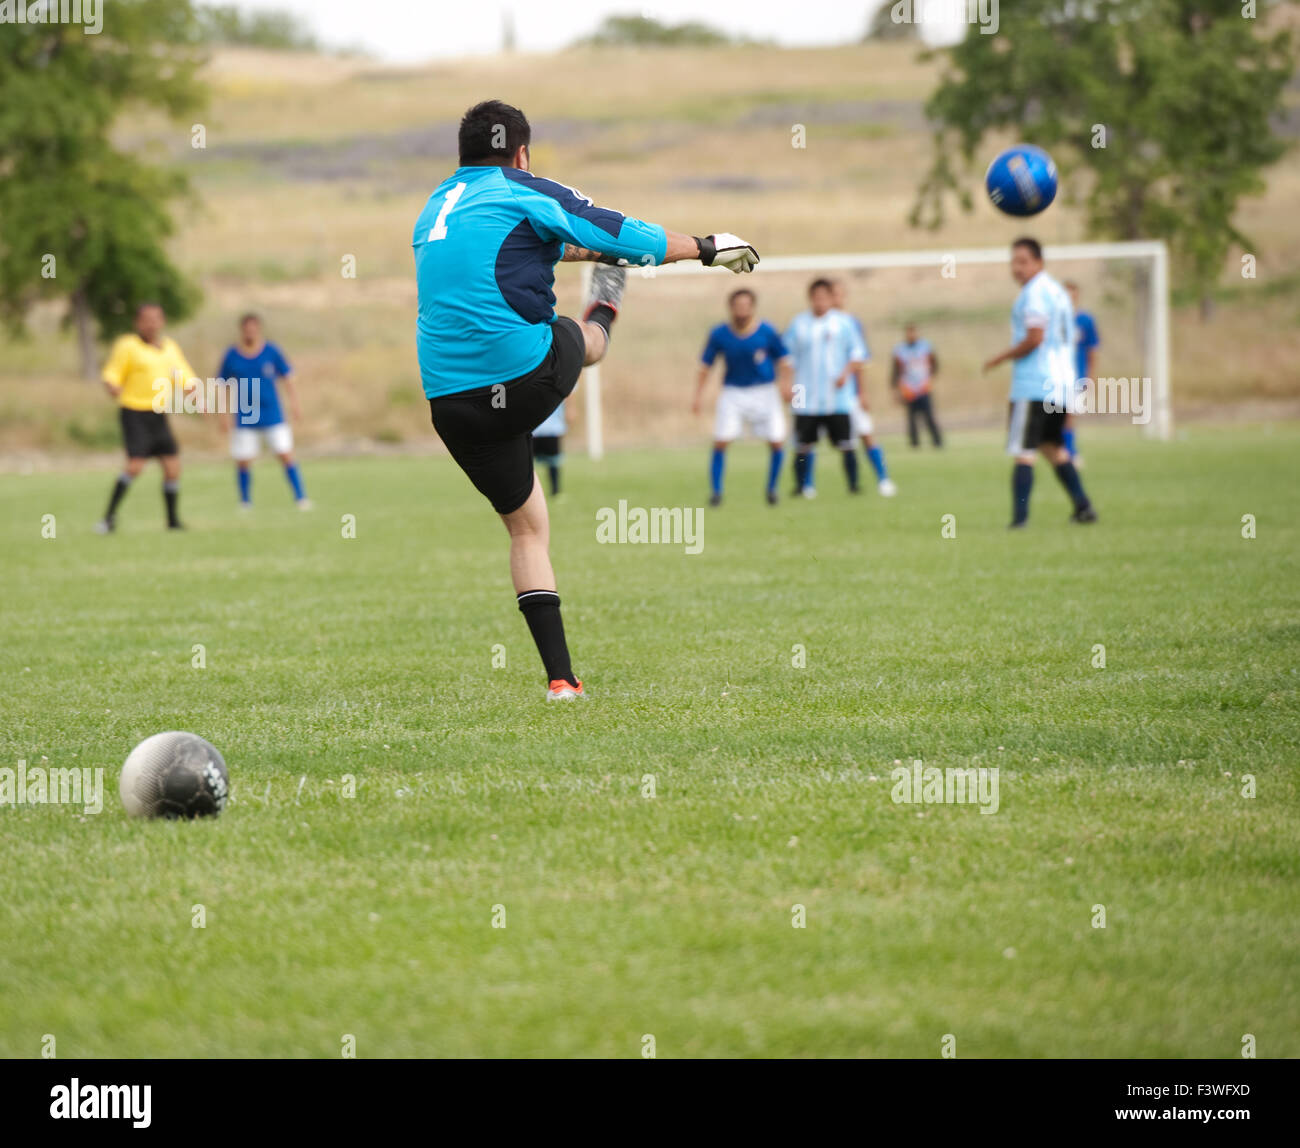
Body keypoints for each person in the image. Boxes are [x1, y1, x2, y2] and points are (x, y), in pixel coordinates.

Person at [413, 99, 758, 700]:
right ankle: (606, 310)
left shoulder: (435, 208)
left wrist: (594, 252)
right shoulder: (522, 186)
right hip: (522, 374)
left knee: (527, 531)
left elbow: (530, 246)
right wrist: (704, 246)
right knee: (583, 339)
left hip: (451, 402)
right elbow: (614, 228)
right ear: (521, 152)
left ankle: (561, 679)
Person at [982, 238, 1097, 529]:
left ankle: (1019, 520)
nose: (1016, 268)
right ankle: (1083, 506)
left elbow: (1035, 337)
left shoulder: (1033, 293)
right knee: (1053, 447)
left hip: (1034, 383)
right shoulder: (1057, 292)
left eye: (1023, 261)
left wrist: (1000, 358)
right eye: (1013, 261)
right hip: (1059, 382)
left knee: (1024, 450)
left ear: (1039, 262)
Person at [96, 303, 197, 533]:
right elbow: (112, 372)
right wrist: (112, 385)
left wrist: (194, 393)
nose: (151, 324)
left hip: (158, 414)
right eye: (146, 319)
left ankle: (172, 521)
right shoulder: (128, 346)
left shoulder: (170, 347)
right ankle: (108, 518)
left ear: (162, 321)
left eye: (156, 319)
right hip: (134, 412)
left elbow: (184, 375)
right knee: (135, 466)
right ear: (137, 322)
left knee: (172, 467)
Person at [692, 287, 790, 506]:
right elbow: (705, 366)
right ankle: (716, 493)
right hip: (733, 392)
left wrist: (787, 386)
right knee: (720, 441)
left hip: (765, 391)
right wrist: (698, 397)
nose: (742, 310)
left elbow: (785, 361)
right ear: (731, 308)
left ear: (753, 307)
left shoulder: (767, 331)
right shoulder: (719, 334)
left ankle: (772, 490)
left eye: (746, 305)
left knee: (776, 441)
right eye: (738, 305)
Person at [216, 313, 310, 510]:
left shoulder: (272, 352)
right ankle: (245, 502)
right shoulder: (232, 355)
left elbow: (288, 378)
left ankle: (301, 498)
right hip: (245, 414)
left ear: (259, 329)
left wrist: (295, 404)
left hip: (272, 413)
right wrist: (223, 415)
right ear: (241, 330)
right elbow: (223, 385)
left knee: (285, 454)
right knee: (243, 459)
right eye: (247, 328)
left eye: (254, 328)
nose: (250, 332)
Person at [785, 279, 866, 498]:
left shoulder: (844, 323)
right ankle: (802, 486)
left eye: (824, 297)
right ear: (810, 298)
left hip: (837, 395)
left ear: (831, 298)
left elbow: (858, 353)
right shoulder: (799, 324)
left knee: (846, 444)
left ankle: (853, 485)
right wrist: (786, 385)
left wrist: (845, 374)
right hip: (804, 393)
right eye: (816, 297)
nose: (820, 302)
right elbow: (786, 357)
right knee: (802, 444)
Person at [830, 280, 895, 496]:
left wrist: (862, 392)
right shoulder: (813, 323)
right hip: (823, 396)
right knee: (840, 442)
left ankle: (883, 479)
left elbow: (859, 362)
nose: (835, 299)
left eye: (838, 294)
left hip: (849, 393)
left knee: (866, 434)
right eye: (831, 294)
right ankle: (849, 485)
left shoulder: (851, 323)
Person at [1064, 281, 1100, 464]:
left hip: (1076, 374)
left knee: (1070, 414)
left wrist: (1091, 375)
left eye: (1072, 295)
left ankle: (1070, 451)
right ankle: (1065, 451)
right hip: (1055, 375)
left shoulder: (1085, 320)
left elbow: (1092, 350)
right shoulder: (1053, 320)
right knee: (1057, 414)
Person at [891, 322, 943, 448]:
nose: (911, 335)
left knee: (929, 416)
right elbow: (895, 371)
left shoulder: (925, 347)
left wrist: (930, 377)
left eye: (913, 332)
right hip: (908, 388)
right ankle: (914, 444)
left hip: (923, 387)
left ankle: (937, 442)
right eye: (909, 332)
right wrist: (895, 388)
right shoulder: (900, 350)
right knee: (911, 419)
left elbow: (934, 363)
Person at [531, 398, 567, 499]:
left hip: (552, 428)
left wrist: (570, 410)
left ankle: (555, 491)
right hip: (531, 429)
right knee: (525, 463)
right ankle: (527, 495)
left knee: (553, 462)